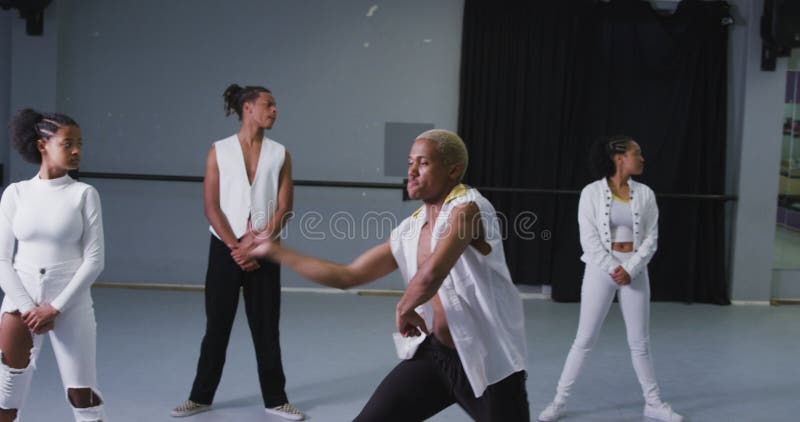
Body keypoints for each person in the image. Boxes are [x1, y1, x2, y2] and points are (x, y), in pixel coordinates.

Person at [238, 129, 529, 421]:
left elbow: (433, 273)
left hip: (488, 363)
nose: (412, 171)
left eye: (424, 163)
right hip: (437, 359)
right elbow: (348, 276)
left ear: (453, 170)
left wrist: (405, 306)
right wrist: (272, 250)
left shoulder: (469, 209)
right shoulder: (409, 231)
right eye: (409, 162)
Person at [171, 84, 304, 420]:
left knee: (266, 327)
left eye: (275, 106)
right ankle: (200, 397)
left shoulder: (280, 154)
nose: (275, 111)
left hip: (264, 249)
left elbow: (285, 207)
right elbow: (211, 206)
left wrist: (257, 245)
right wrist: (236, 246)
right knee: (217, 326)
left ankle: (276, 399)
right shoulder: (218, 151)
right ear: (248, 108)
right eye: (268, 105)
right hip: (224, 249)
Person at [538, 135, 683, 422]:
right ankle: (559, 401)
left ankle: (653, 404)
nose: (642, 158)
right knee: (584, 338)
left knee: (640, 342)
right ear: (619, 158)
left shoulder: (645, 194)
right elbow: (588, 239)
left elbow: (651, 238)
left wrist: (631, 268)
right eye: (636, 153)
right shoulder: (590, 193)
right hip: (599, 269)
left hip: (635, 271)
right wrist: (612, 268)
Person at [0, 109, 106, 421]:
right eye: (67, 143)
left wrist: (55, 308)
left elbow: (95, 260)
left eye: (80, 144)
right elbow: (3, 259)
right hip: (22, 301)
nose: (76, 151)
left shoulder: (84, 194)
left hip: (69, 301)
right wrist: (26, 307)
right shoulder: (16, 194)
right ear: (42, 145)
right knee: (6, 395)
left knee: (81, 394)